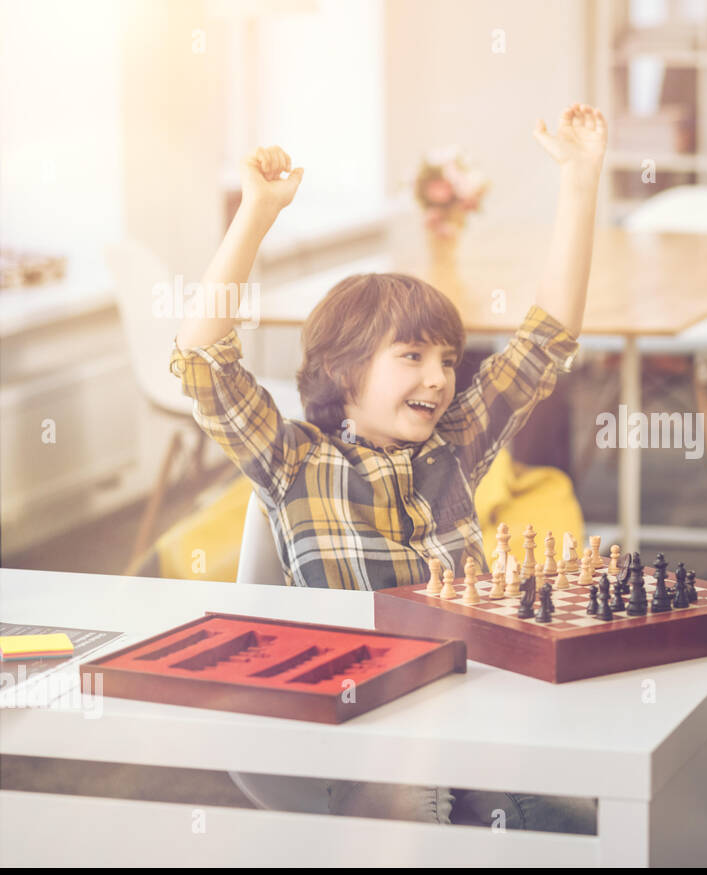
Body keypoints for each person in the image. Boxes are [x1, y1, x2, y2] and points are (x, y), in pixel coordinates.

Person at [169, 104, 608, 834]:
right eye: (412, 357)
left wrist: (580, 182)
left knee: (587, 824)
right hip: (361, 736)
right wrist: (256, 213)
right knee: (436, 805)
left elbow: (548, 337)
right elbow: (203, 360)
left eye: (445, 359)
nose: (438, 378)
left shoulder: (458, 444)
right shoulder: (296, 460)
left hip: (471, 719)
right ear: (343, 372)